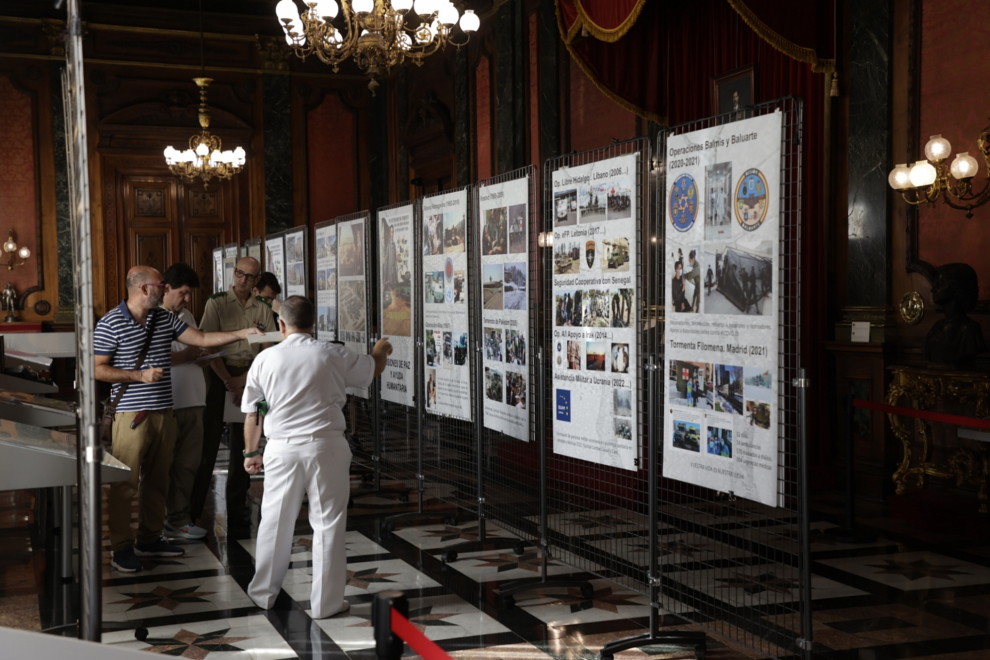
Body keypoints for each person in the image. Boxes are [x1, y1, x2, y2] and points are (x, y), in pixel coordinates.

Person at [95, 265, 261, 572]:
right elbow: (97, 368)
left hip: (165, 413)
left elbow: (200, 338)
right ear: (145, 288)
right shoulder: (111, 322)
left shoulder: (164, 318)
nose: (166, 288)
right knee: (126, 484)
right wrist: (137, 375)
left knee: (158, 480)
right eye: (161, 284)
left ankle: (148, 538)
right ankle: (121, 547)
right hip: (131, 415)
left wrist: (241, 333)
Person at [240, 296, 392, 619]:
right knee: (328, 524)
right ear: (314, 325)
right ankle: (326, 603)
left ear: (281, 325)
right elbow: (371, 368)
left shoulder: (265, 360)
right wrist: (381, 349)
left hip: (281, 448)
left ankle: (263, 593)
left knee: (275, 521)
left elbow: (253, 414)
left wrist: (251, 453)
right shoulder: (332, 353)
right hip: (327, 448)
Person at [190, 257, 277, 531]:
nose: (243, 280)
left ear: (256, 280)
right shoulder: (216, 303)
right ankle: (193, 508)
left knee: (247, 442)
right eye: (240, 273)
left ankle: (237, 506)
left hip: (251, 375)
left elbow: (268, 347)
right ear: (234, 273)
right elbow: (208, 345)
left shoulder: (262, 308)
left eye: (250, 277)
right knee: (209, 443)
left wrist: (245, 380)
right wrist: (229, 380)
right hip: (219, 376)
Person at [161, 263, 210, 540]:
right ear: (165, 289)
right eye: (183, 293)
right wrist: (188, 356)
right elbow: (155, 359)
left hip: (193, 400)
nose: (187, 299)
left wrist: (202, 357)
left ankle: (179, 519)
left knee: (188, 464)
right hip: (167, 402)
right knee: (162, 466)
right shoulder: (152, 316)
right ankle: (158, 523)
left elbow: (194, 349)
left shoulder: (187, 314)